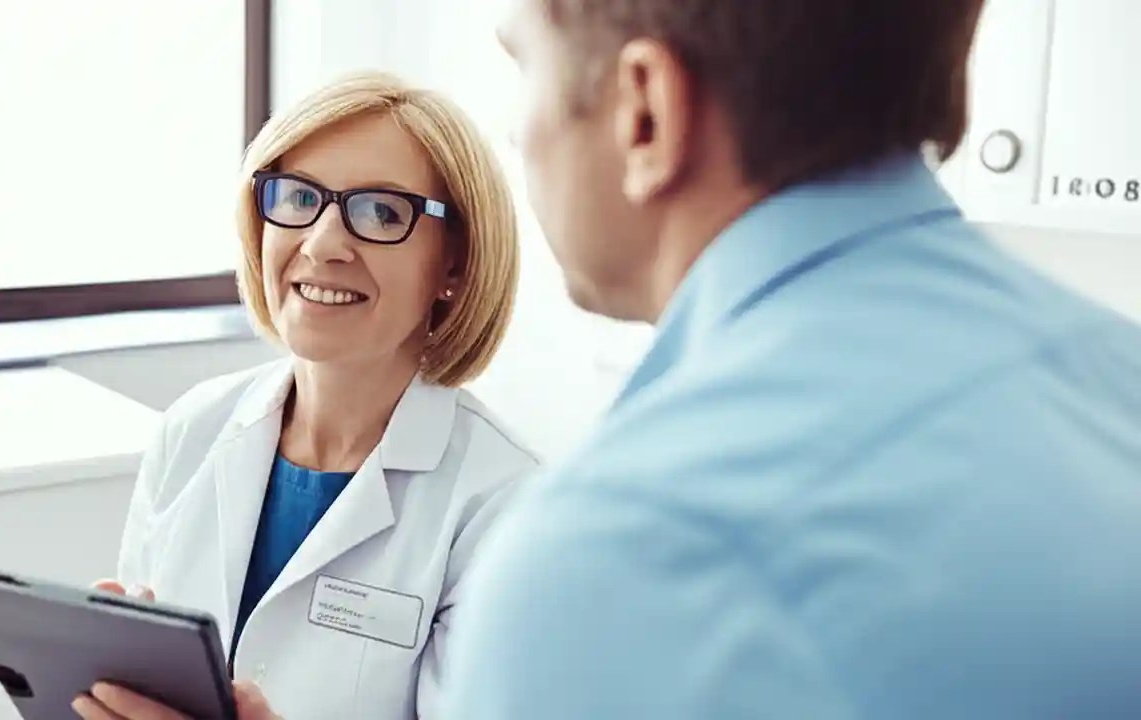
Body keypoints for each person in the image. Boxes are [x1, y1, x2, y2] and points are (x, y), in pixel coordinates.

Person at [445, 0, 1141, 718]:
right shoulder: (1117, 373)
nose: (512, 130)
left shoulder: (623, 559)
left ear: (645, 113)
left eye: (524, 66)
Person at [73, 71, 537, 720]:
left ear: (454, 265)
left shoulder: (504, 508)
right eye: (296, 198)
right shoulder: (191, 431)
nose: (321, 244)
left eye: (380, 212)